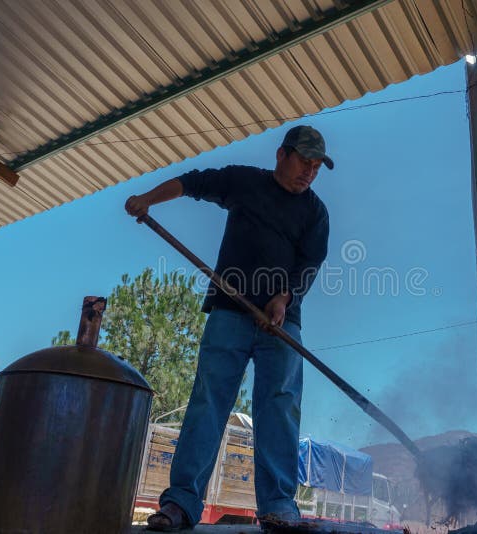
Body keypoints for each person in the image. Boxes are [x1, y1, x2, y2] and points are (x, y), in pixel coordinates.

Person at [125, 125, 333, 531]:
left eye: (315, 166)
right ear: (281, 155)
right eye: (303, 162)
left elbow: (309, 264)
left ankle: (277, 506)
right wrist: (147, 201)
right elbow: (193, 182)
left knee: (279, 407)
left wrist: (283, 298)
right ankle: (182, 503)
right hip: (229, 313)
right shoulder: (244, 182)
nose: (309, 172)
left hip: (282, 326)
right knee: (208, 401)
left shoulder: (315, 211)